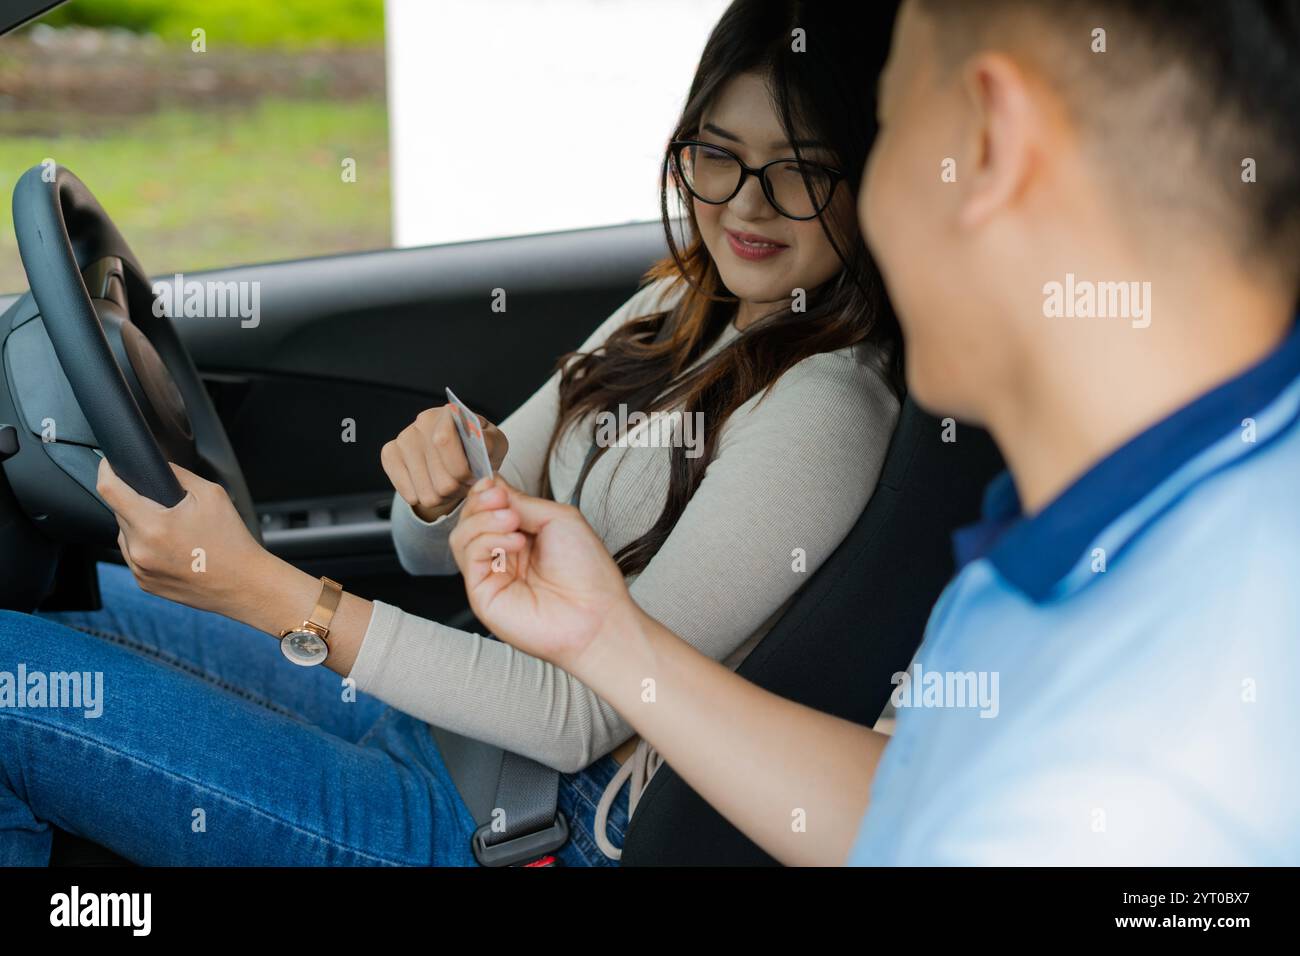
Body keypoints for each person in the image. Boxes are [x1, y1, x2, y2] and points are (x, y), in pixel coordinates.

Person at [0, 1, 904, 866]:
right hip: (450, 717)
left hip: (505, 828)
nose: (746, 205)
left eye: (800, 171)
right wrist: (440, 491)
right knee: (67, 612)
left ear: (868, 175)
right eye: (719, 154)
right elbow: (423, 551)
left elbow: (582, 715)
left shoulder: (827, 408)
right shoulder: (682, 301)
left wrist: (258, 589)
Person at [447, 0, 1300, 865]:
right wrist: (611, 642)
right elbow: (920, 804)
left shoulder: (1167, 735)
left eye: (882, 131)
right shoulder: (1138, 513)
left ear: (988, 151)